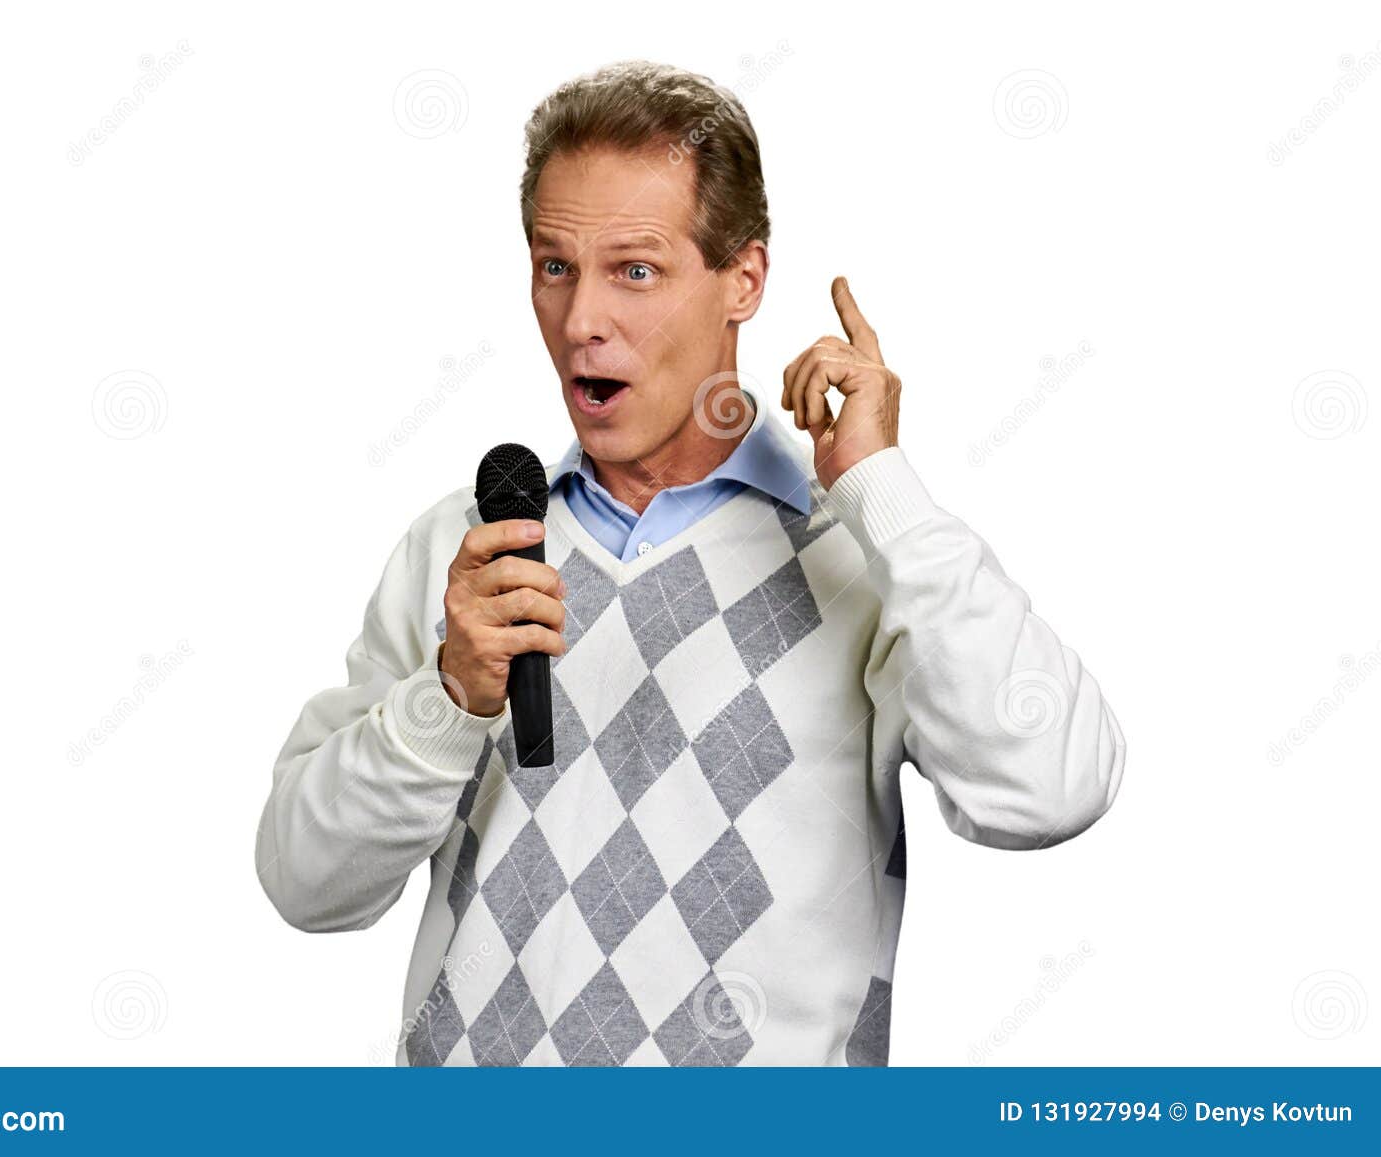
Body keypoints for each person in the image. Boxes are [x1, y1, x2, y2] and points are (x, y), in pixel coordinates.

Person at [254, 60, 1125, 1066]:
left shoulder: (867, 553)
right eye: (553, 266)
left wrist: (881, 486)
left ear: (742, 280)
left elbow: (1052, 786)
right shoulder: (471, 554)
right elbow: (303, 881)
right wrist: (449, 696)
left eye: (633, 269)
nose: (581, 318)